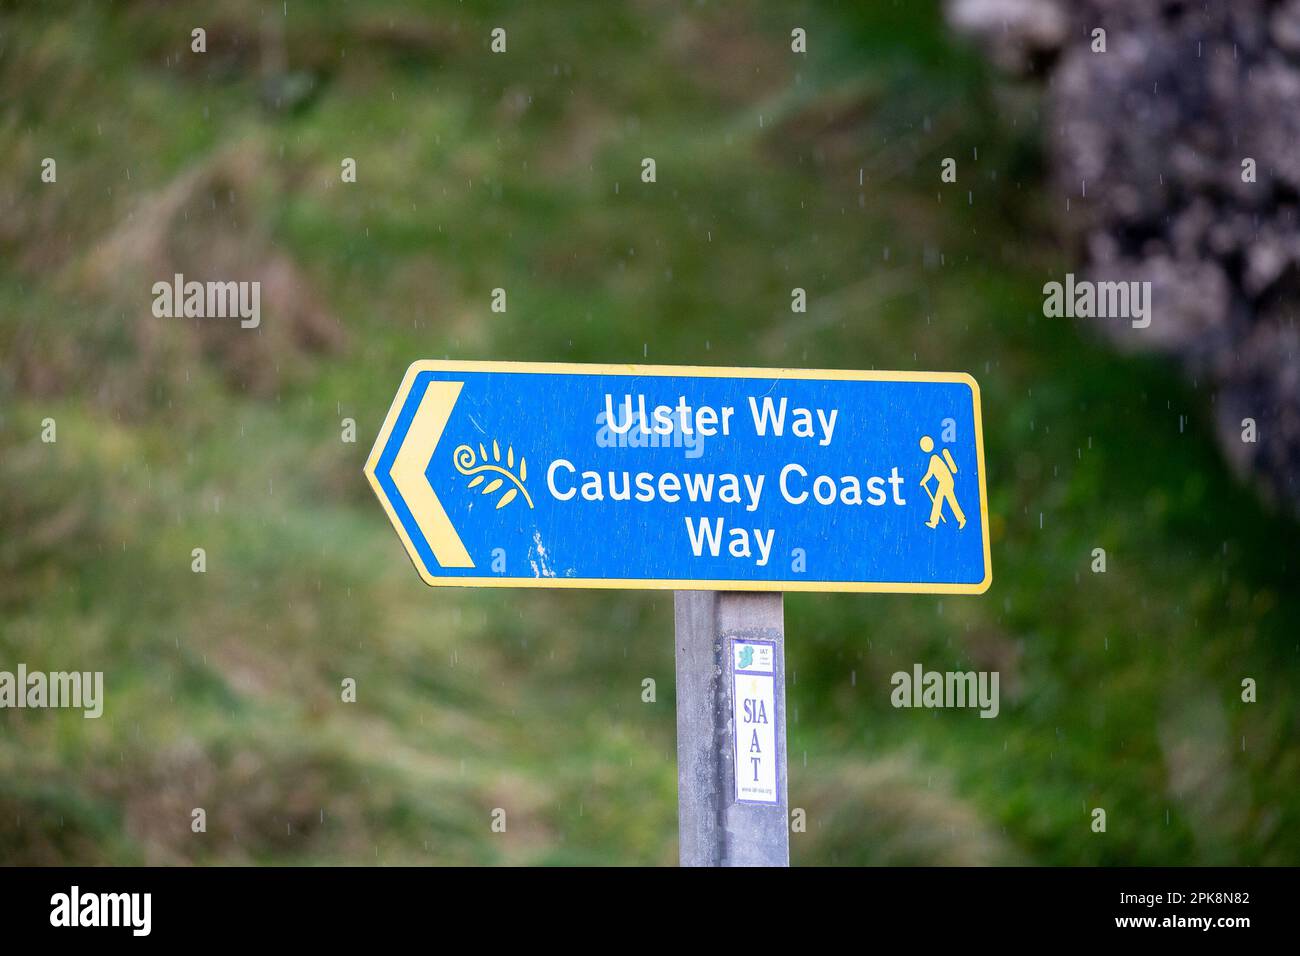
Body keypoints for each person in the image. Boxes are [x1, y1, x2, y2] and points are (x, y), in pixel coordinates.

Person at [919, 435, 966, 529]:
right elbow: (930, 473)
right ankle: (960, 519)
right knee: (947, 500)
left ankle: (935, 521)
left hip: (946, 481)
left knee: (940, 500)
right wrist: (923, 481)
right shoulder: (935, 458)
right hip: (945, 481)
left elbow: (929, 473)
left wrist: (922, 481)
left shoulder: (934, 459)